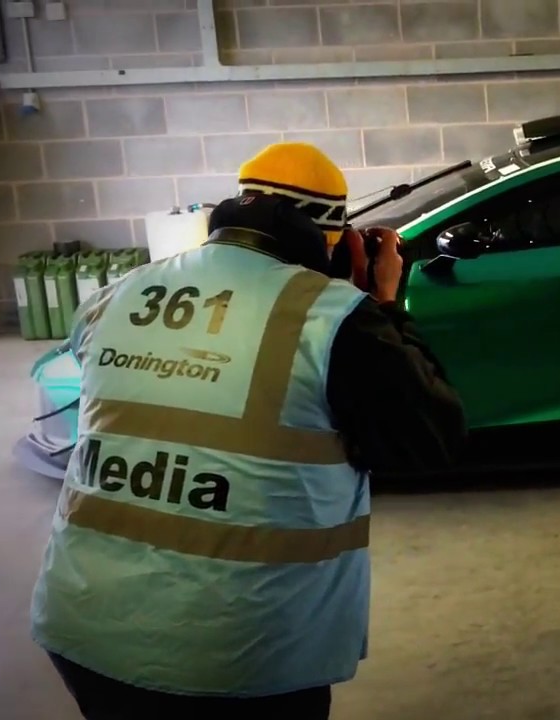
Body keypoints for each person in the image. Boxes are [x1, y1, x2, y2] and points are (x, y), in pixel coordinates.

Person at [29, 142, 467, 719]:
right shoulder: (333, 319)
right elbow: (430, 441)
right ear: (335, 244)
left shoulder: (118, 293)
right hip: (238, 655)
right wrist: (384, 305)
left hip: (80, 624)